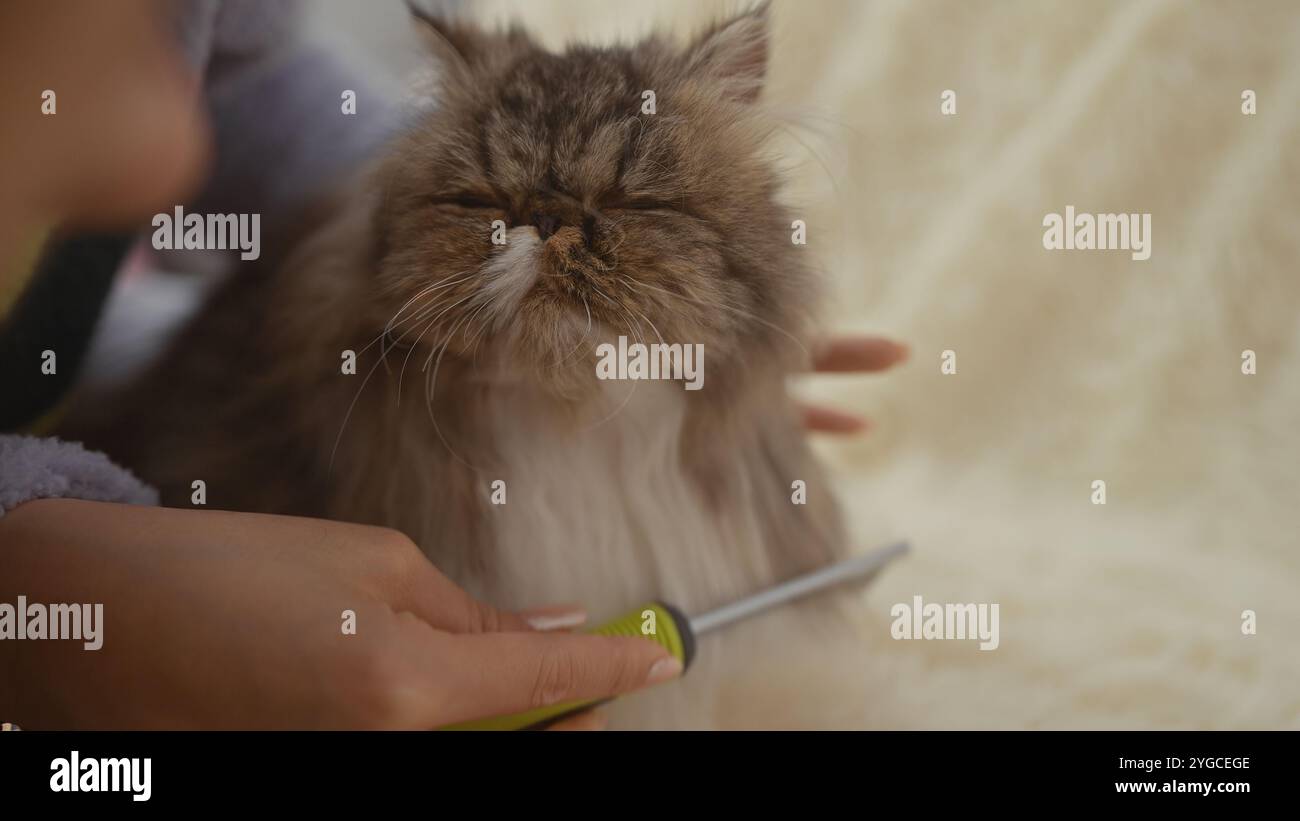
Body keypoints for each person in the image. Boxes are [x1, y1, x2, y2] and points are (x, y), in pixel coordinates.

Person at [0, 0, 907, 729]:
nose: (159, 152)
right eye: (486, 206)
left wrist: (443, 179)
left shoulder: (140, 105)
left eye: (634, 205)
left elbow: (231, 82)